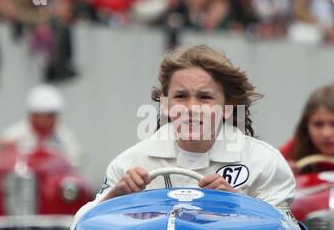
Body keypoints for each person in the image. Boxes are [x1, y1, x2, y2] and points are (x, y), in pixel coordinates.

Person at [78, 44, 295, 217]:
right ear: (165, 104)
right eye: (181, 96)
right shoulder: (130, 162)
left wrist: (238, 205)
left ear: (227, 107)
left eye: (205, 97)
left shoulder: (264, 162)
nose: (192, 108)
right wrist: (114, 197)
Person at [0, 83, 84, 166]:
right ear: (32, 115)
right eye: (44, 115)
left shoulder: (63, 136)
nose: (47, 120)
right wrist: (1, 147)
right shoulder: (17, 133)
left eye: (52, 115)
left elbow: (77, 160)